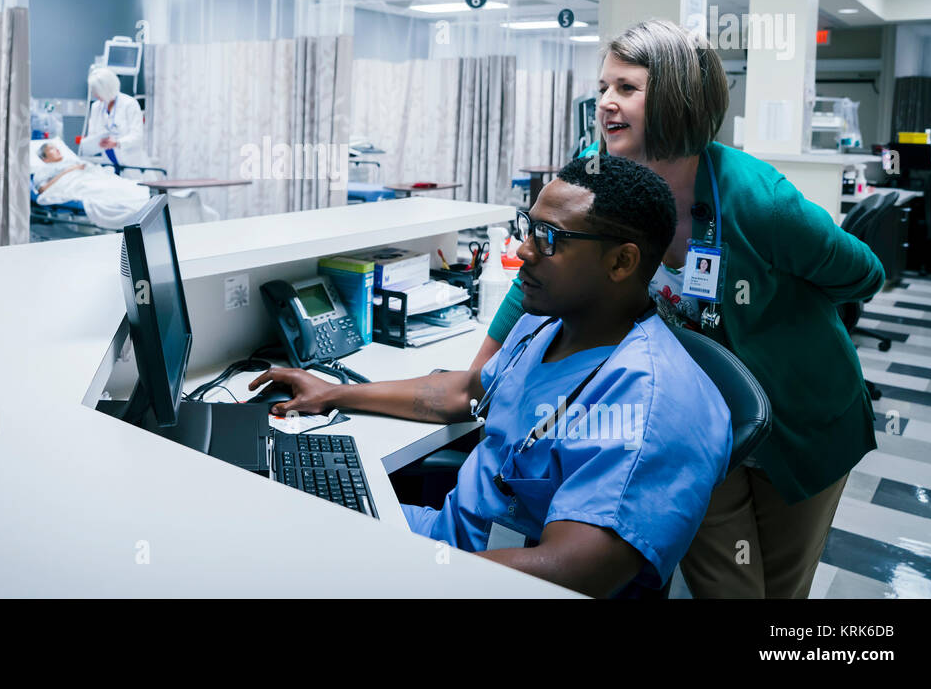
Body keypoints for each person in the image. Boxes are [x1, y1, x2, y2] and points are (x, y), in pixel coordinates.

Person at [475, 19, 885, 599]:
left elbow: (863, 274)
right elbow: (539, 261)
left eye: (627, 88)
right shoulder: (597, 168)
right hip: (696, 413)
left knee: (779, 587)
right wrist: (480, 369)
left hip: (803, 416)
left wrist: (777, 318)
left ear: (675, 97)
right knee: (726, 585)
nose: (606, 104)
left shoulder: (759, 201)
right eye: (603, 87)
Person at [250, 154, 732, 598]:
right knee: (271, 510)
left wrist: (405, 572)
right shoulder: (548, 324)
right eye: (528, 227)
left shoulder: (650, 403)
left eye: (549, 238)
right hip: (442, 541)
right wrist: (335, 393)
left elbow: (574, 570)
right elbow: (461, 391)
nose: (524, 251)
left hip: (471, 577)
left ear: (621, 262)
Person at [78, 67, 145, 167]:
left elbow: (137, 136)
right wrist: (88, 144)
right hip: (108, 161)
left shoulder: (129, 104)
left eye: (97, 91)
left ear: (107, 89)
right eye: (93, 91)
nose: (95, 94)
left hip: (131, 161)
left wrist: (117, 142)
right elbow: (93, 134)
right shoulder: (96, 107)